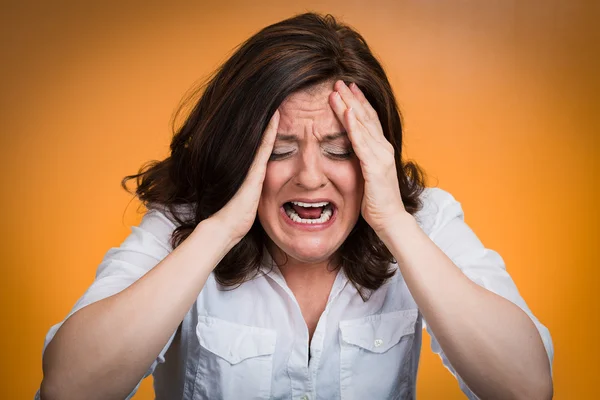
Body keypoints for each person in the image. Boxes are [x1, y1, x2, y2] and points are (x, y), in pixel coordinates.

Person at [36, 12, 554, 400]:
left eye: (339, 150)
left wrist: (394, 222)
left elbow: (527, 387)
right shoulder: (185, 226)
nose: (309, 176)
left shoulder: (421, 221)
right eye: (280, 151)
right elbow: (69, 387)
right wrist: (220, 230)